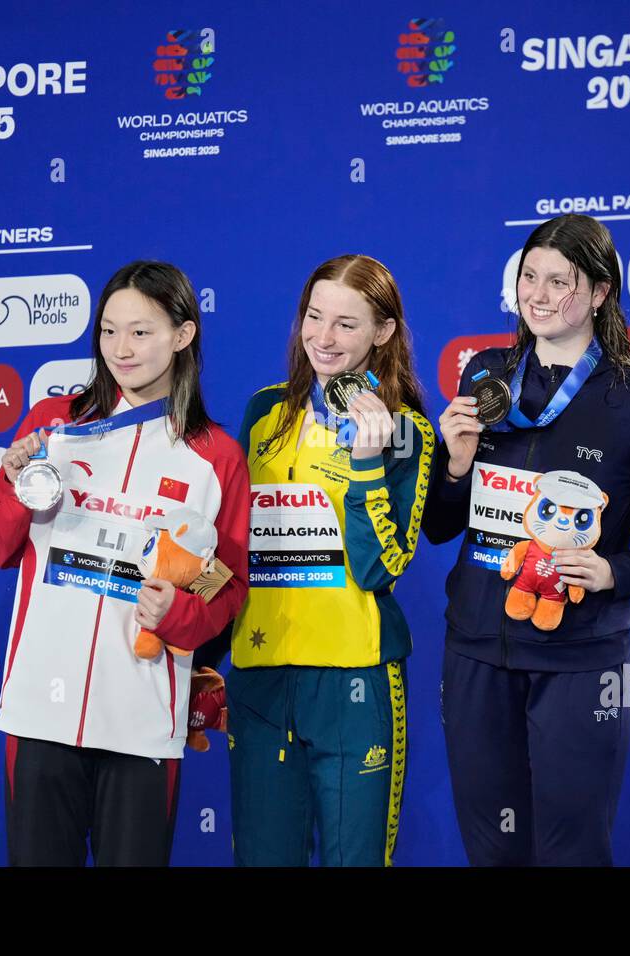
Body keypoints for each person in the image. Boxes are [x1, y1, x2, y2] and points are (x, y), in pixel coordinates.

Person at [423, 214, 630, 866]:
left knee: (570, 853)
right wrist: (452, 464)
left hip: (578, 662)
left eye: (560, 281)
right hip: (475, 650)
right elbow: (441, 526)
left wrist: (614, 571)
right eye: (530, 276)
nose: (538, 294)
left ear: (599, 293)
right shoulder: (485, 376)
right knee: (493, 853)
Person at [0, 261, 249, 866]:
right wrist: (17, 480)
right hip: (40, 713)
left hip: (143, 720)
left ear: (183, 336)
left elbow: (225, 587)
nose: (120, 350)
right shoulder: (54, 425)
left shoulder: (217, 457)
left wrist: (179, 612)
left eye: (140, 332)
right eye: (108, 331)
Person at [221, 253, 435, 866]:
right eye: (314, 317)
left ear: (383, 333)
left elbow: (379, 569)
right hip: (261, 674)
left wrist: (367, 464)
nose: (323, 337)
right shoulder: (265, 410)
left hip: (353, 679)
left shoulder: (404, 431)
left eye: (346, 323)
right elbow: (236, 542)